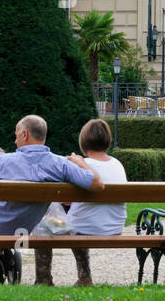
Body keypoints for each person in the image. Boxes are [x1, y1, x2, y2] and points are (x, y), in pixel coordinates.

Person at [0, 114, 103, 284]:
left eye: (17, 134)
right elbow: (98, 185)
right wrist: (81, 163)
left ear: (25, 134)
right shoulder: (60, 164)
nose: (15, 140)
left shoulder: (5, 161)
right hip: (21, 230)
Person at [35, 118, 127, 286]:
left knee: (44, 220)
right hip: (114, 228)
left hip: (84, 229)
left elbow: (64, 199)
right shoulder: (118, 164)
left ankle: (43, 278)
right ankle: (84, 277)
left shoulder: (82, 165)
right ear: (107, 141)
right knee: (81, 219)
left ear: (83, 142)